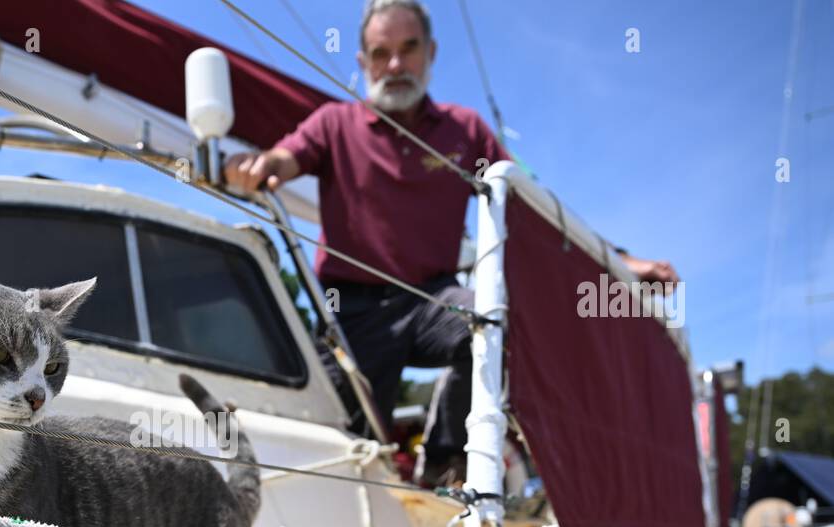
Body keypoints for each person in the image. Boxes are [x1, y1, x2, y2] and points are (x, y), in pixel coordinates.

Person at [224, 0, 679, 485]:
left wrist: (621, 263)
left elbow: (534, 208)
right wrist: (263, 165)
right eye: (381, 53)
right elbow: (285, 156)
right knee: (338, 445)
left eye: (409, 48)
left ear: (431, 52)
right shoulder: (334, 124)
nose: (395, 65)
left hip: (433, 301)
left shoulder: (464, 131)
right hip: (351, 311)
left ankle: (443, 462)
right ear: (362, 62)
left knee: (495, 322)